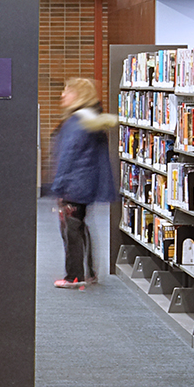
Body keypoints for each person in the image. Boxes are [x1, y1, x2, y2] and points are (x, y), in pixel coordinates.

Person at [47, 76, 115, 288]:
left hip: (74, 184)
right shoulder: (91, 119)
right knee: (80, 227)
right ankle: (88, 272)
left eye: (67, 91)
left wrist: (58, 187)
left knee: (71, 230)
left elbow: (68, 157)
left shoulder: (77, 123)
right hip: (86, 183)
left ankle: (74, 276)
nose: (62, 95)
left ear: (78, 95)